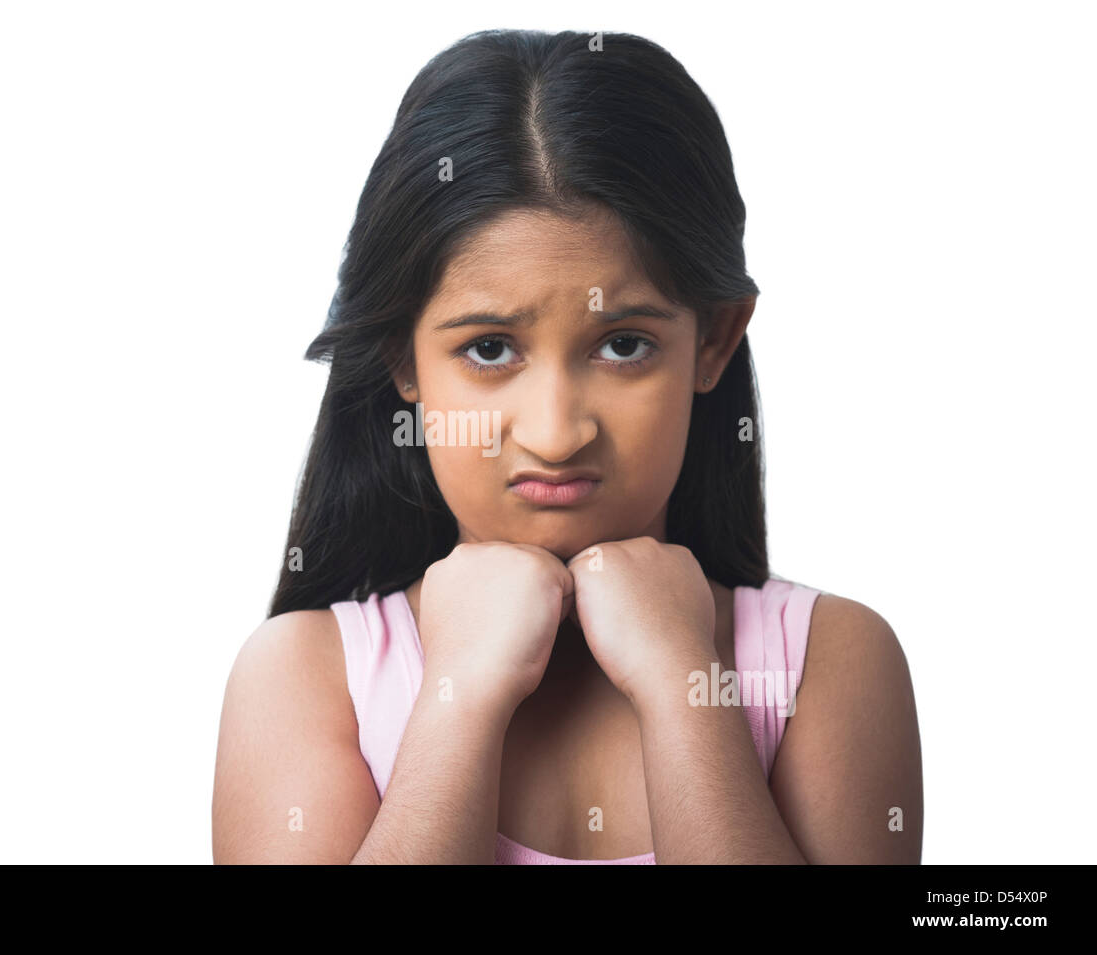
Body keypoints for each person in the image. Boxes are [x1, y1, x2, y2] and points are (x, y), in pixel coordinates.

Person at [212, 28, 922, 864]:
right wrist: (460, 695)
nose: (555, 433)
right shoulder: (307, 678)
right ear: (403, 358)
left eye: (622, 344)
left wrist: (682, 682)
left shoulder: (824, 666)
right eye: (487, 348)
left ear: (715, 341)